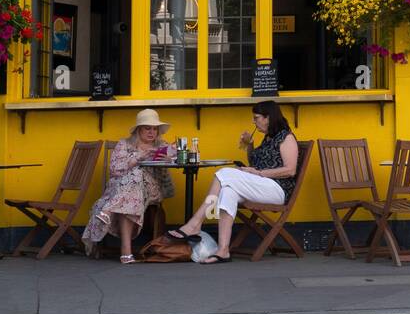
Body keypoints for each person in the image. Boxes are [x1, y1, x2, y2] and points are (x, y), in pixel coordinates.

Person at [168, 100, 300, 263]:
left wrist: (259, 173)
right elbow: (255, 164)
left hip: (277, 190)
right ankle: (223, 250)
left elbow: (290, 170)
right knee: (228, 191)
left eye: (256, 117)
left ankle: (195, 223)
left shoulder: (286, 137)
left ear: (268, 117)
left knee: (223, 173)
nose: (254, 121)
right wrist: (250, 146)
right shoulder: (269, 138)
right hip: (263, 185)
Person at [83, 108, 176, 263]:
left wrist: (169, 159)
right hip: (123, 189)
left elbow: (170, 169)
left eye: (155, 129)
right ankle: (126, 253)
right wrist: (137, 158)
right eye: (147, 128)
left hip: (151, 188)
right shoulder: (124, 144)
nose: (152, 132)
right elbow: (114, 170)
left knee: (136, 175)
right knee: (132, 192)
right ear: (138, 129)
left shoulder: (162, 146)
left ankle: (108, 211)